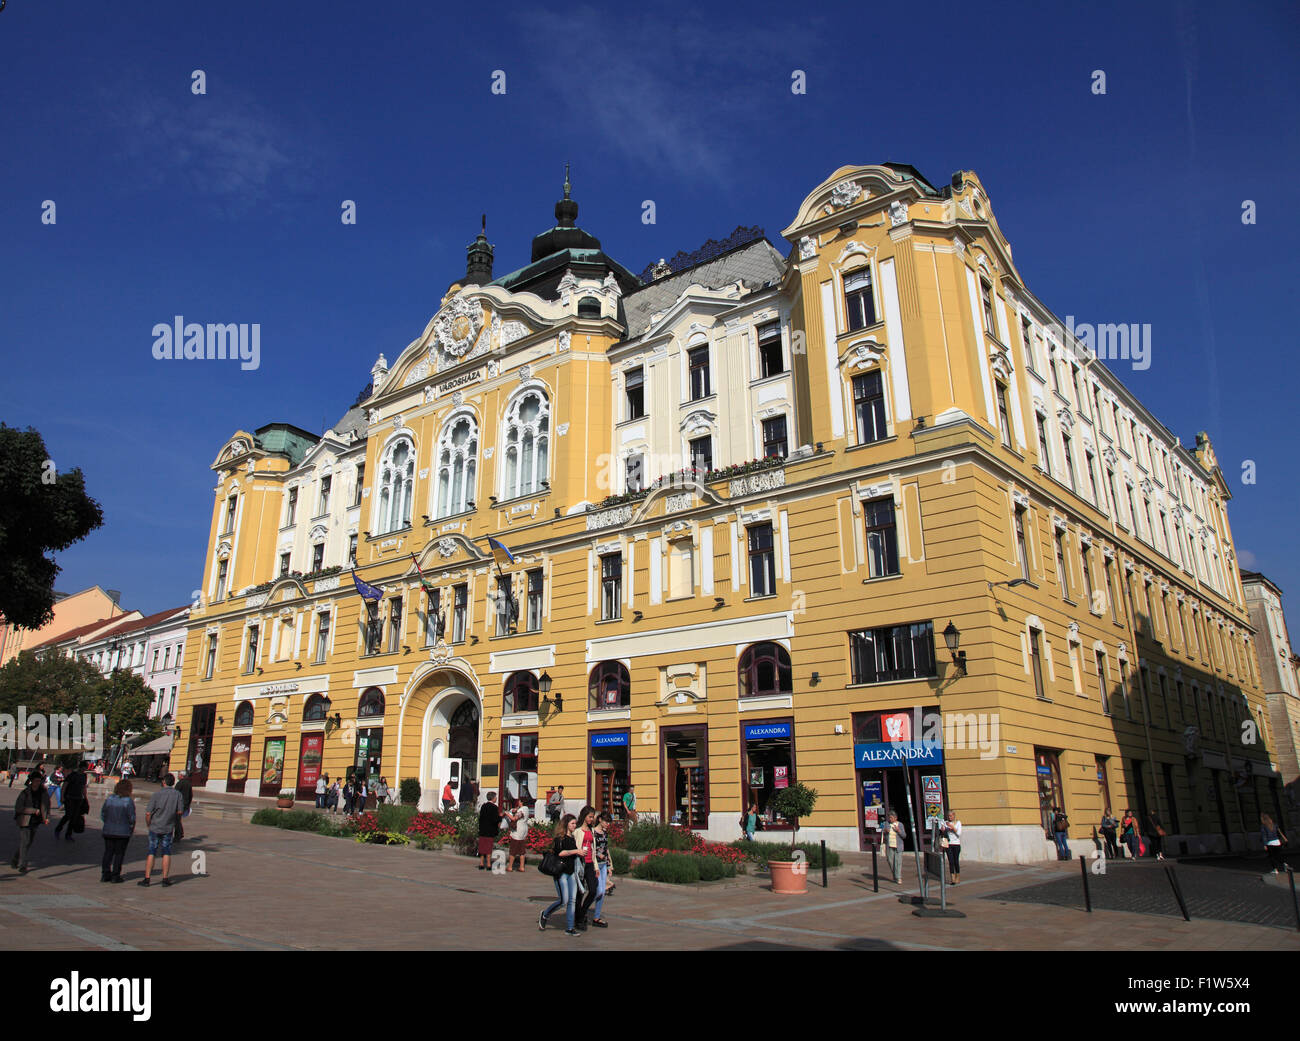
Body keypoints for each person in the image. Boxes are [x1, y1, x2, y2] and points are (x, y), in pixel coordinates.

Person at [139, 773, 185, 887]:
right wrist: (174, 821)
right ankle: (165, 878)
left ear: (164, 782)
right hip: (168, 827)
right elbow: (180, 812)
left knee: (151, 852)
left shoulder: (157, 794)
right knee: (166, 852)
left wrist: (148, 824)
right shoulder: (178, 795)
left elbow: (148, 813)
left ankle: (147, 878)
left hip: (155, 827)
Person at [540, 813, 582, 935]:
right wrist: (576, 851)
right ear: (566, 824)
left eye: (575, 823)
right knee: (564, 900)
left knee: (572, 901)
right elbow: (561, 853)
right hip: (561, 872)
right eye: (572, 823)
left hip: (571, 872)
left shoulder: (572, 838)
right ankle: (545, 914)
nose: (575, 825)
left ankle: (569, 928)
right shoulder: (560, 839)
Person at [10, 772, 51, 874]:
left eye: (39, 781)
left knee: (28, 842)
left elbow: (46, 806)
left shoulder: (43, 792)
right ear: (32, 781)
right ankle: (23, 865)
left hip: (35, 821)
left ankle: (15, 858)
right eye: (36, 781)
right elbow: (18, 808)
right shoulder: (25, 793)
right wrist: (33, 810)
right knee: (25, 842)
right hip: (24, 820)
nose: (37, 783)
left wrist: (46, 817)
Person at [100, 779, 136, 883]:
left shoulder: (110, 799)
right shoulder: (128, 801)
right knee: (119, 853)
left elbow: (103, 813)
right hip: (123, 831)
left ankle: (105, 873)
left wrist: (107, 822)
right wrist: (131, 827)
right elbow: (132, 817)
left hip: (108, 829)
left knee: (108, 852)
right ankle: (116, 875)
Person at [574, 806, 599, 929]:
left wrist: (596, 866)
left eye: (592, 817)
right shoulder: (577, 831)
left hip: (589, 863)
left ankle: (582, 913)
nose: (592, 819)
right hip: (580, 864)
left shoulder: (592, 830)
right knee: (580, 892)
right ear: (584, 816)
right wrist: (578, 852)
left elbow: (593, 849)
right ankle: (577, 919)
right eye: (590, 816)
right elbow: (574, 847)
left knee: (593, 890)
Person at [54, 763, 89, 841]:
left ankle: (68, 834)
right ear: (80, 767)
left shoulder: (84, 776)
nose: (84, 770)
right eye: (83, 768)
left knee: (74, 817)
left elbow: (83, 787)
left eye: (85, 768)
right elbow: (65, 785)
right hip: (70, 797)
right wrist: (62, 797)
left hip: (79, 798)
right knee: (68, 815)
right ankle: (58, 829)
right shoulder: (73, 775)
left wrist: (85, 798)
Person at [590, 811, 612, 927]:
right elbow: (592, 848)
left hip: (603, 864)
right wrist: (598, 855)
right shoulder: (593, 832)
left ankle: (596, 917)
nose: (607, 824)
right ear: (600, 820)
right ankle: (584, 908)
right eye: (606, 821)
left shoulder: (604, 833)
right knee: (598, 891)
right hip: (596, 865)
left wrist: (609, 865)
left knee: (602, 892)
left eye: (608, 822)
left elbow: (606, 849)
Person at [477, 791, 502, 870]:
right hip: (490, 830)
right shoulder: (494, 807)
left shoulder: (483, 806)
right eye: (496, 797)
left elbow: (481, 818)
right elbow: (495, 819)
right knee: (488, 848)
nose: (496, 798)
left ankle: (481, 863)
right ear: (493, 798)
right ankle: (488, 864)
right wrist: (500, 817)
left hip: (483, 829)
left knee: (482, 847)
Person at [507, 798, 530, 872]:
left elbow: (514, 818)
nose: (518, 802)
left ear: (521, 802)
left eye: (519, 801)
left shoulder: (521, 810)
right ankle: (522, 866)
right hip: (524, 830)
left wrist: (507, 814)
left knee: (513, 849)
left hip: (518, 831)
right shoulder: (526, 809)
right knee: (522, 850)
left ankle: (510, 866)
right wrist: (515, 810)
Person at [883, 811, 905, 882]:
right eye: (889, 818)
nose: (890, 819)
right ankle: (895, 875)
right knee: (890, 861)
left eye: (891, 818)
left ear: (895, 818)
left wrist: (898, 830)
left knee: (898, 862)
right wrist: (885, 831)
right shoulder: (887, 823)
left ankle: (898, 877)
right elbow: (884, 834)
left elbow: (904, 835)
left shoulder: (900, 824)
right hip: (889, 845)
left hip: (898, 846)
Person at [942, 809, 962, 884]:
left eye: (951, 816)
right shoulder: (945, 823)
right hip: (948, 844)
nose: (949, 817)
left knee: (956, 861)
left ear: (954, 815)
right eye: (948, 816)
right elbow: (943, 833)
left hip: (956, 844)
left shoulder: (958, 823)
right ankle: (952, 878)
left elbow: (959, 833)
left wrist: (953, 827)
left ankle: (957, 876)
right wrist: (943, 829)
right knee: (951, 861)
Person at [174, 771, 194, 841]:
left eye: (179, 775)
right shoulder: (188, 783)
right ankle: (180, 834)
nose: (178, 776)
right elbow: (191, 795)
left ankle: (178, 835)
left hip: (179, 804)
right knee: (178, 820)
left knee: (176, 820)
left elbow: (175, 794)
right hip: (185, 804)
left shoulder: (180, 783)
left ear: (182, 776)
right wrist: (188, 804)